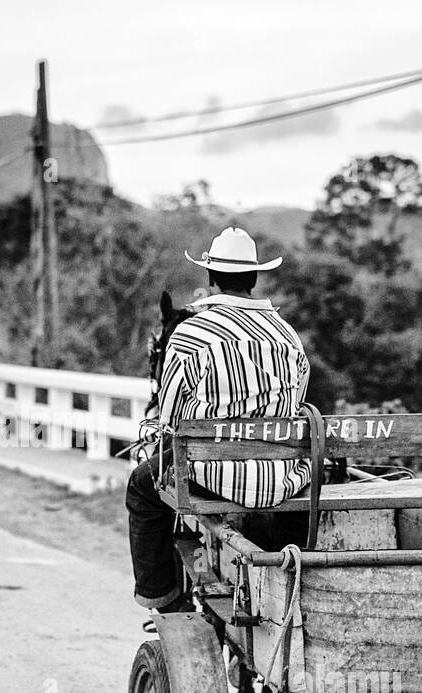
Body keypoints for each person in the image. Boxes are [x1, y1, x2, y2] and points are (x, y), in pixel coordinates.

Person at [126, 226, 312, 613]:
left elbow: (173, 419)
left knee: (142, 486)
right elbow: (296, 404)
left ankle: (162, 597)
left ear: (211, 279)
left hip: (213, 475)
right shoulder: (287, 335)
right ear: (254, 278)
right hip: (281, 480)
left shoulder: (192, 334)